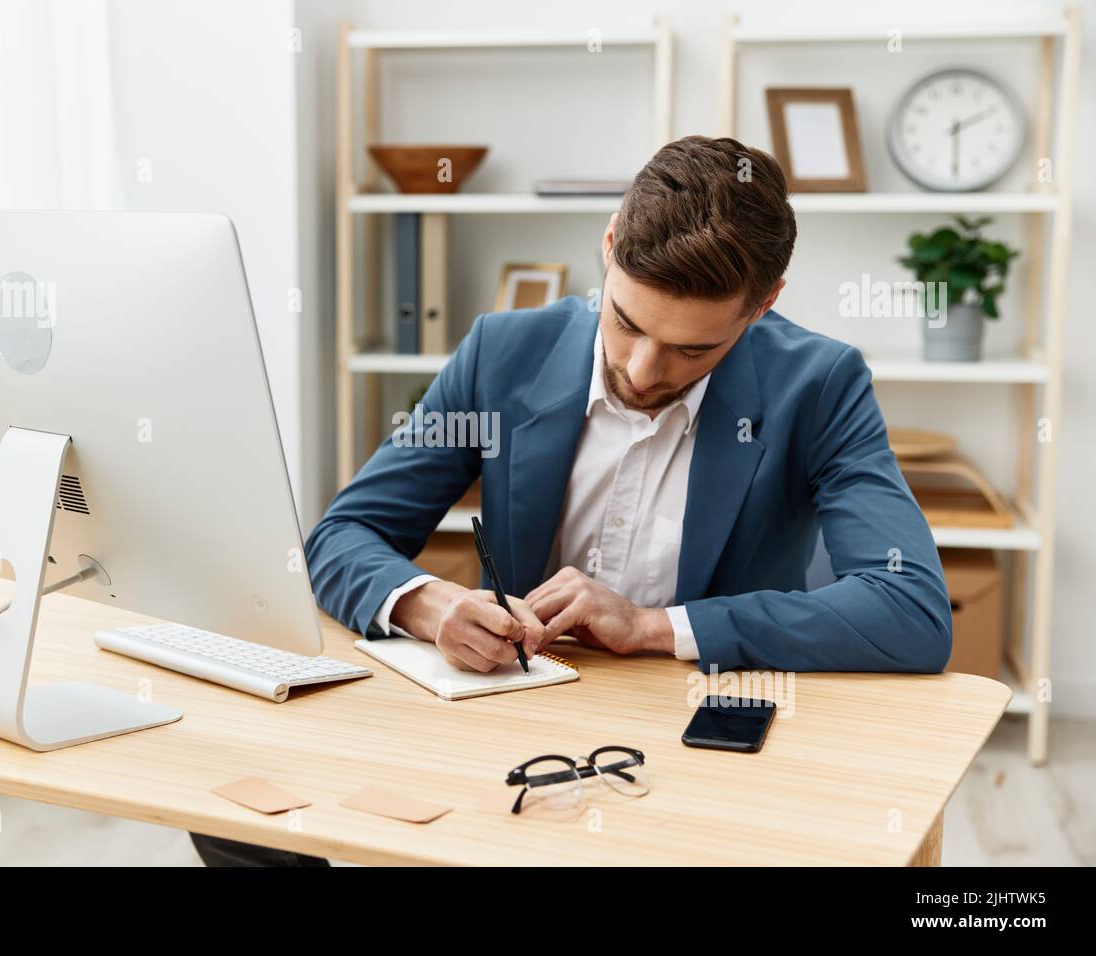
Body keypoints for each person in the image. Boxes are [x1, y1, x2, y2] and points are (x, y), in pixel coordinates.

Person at [191, 134, 952, 867]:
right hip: (514, 722)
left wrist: (652, 627)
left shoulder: (819, 384)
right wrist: (428, 604)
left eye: (694, 349)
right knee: (234, 817)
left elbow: (911, 610)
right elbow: (343, 533)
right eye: (626, 322)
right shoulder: (503, 351)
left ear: (763, 304)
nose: (646, 369)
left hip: (690, 742)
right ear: (612, 242)